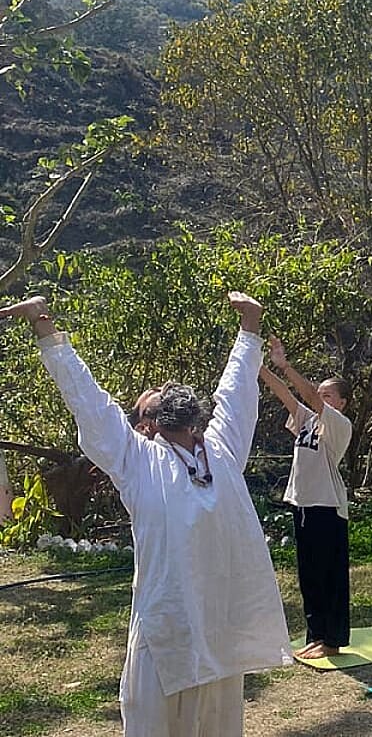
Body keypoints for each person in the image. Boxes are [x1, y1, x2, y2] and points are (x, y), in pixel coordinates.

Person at [0, 293, 292, 737]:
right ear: (145, 426)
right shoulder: (137, 460)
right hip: (166, 634)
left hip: (221, 632)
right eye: (152, 397)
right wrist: (45, 329)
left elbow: (237, 391)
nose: (163, 388)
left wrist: (249, 327)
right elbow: (90, 403)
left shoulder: (222, 450)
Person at [258, 337, 354, 660]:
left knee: (330, 576)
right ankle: (316, 635)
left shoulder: (339, 424)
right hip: (302, 504)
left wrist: (285, 365)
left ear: (341, 403)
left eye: (328, 395)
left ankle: (332, 639)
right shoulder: (308, 420)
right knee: (309, 576)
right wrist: (259, 366)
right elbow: (286, 395)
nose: (321, 398)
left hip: (327, 507)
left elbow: (308, 395)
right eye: (321, 393)